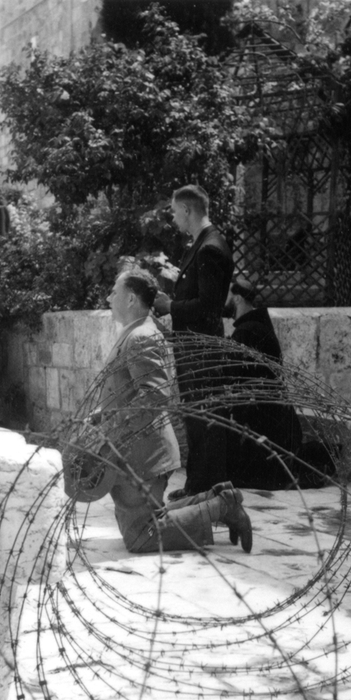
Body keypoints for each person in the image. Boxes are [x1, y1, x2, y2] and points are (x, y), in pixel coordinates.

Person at [66, 267, 252, 554]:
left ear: (130, 299)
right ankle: (218, 499)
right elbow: (130, 391)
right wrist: (103, 415)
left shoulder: (141, 336)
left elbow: (154, 397)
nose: (108, 297)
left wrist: (111, 423)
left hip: (144, 453)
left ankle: (221, 507)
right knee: (146, 523)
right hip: (134, 450)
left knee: (142, 536)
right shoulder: (135, 333)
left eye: (114, 292)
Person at [152, 184, 233, 500]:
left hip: (202, 350)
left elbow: (210, 306)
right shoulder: (204, 243)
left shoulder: (209, 248)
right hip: (194, 346)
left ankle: (205, 488)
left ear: (187, 209)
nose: (174, 219)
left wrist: (169, 307)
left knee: (204, 419)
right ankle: (199, 485)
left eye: (175, 211)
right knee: (197, 416)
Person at [225, 274, 337, 489]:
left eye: (228, 295)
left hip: (265, 418)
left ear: (238, 298)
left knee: (258, 476)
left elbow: (241, 379)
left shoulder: (248, 331)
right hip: (270, 414)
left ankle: (322, 456)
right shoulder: (255, 326)